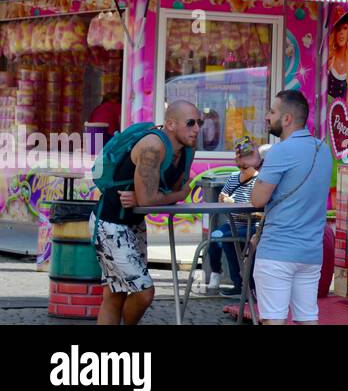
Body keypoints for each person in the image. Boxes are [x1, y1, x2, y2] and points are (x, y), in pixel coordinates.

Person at [94, 101, 200, 325]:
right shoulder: (152, 146)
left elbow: (160, 194)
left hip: (134, 223)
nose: (197, 129)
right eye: (190, 123)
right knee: (144, 292)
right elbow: (154, 198)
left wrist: (147, 199)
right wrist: (177, 196)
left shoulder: (188, 149)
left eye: (200, 122)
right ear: (170, 124)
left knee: (115, 293)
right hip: (110, 223)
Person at [251, 89, 331, 324]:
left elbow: (258, 199)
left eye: (272, 111)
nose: (267, 116)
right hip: (310, 252)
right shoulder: (323, 150)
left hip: (278, 251)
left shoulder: (281, 151)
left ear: (286, 119)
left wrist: (257, 168)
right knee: (307, 319)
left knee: (273, 319)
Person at [204, 143, 262, 295]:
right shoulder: (234, 178)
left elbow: (260, 211)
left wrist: (235, 205)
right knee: (214, 238)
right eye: (239, 164)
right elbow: (221, 197)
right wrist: (223, 199)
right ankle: (217, 273)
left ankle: (246, 286)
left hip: (251, 226)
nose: (242, 169)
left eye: (245, 166)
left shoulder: (260, 181)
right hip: (231, 224)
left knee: (229, 241)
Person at [325, 8, 348, 115]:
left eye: (344, 28)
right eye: (338, 29)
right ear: (334, 34)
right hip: (324, 112)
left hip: (339, 116)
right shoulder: (329, 61)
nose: (341, 33)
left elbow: (347, 104)